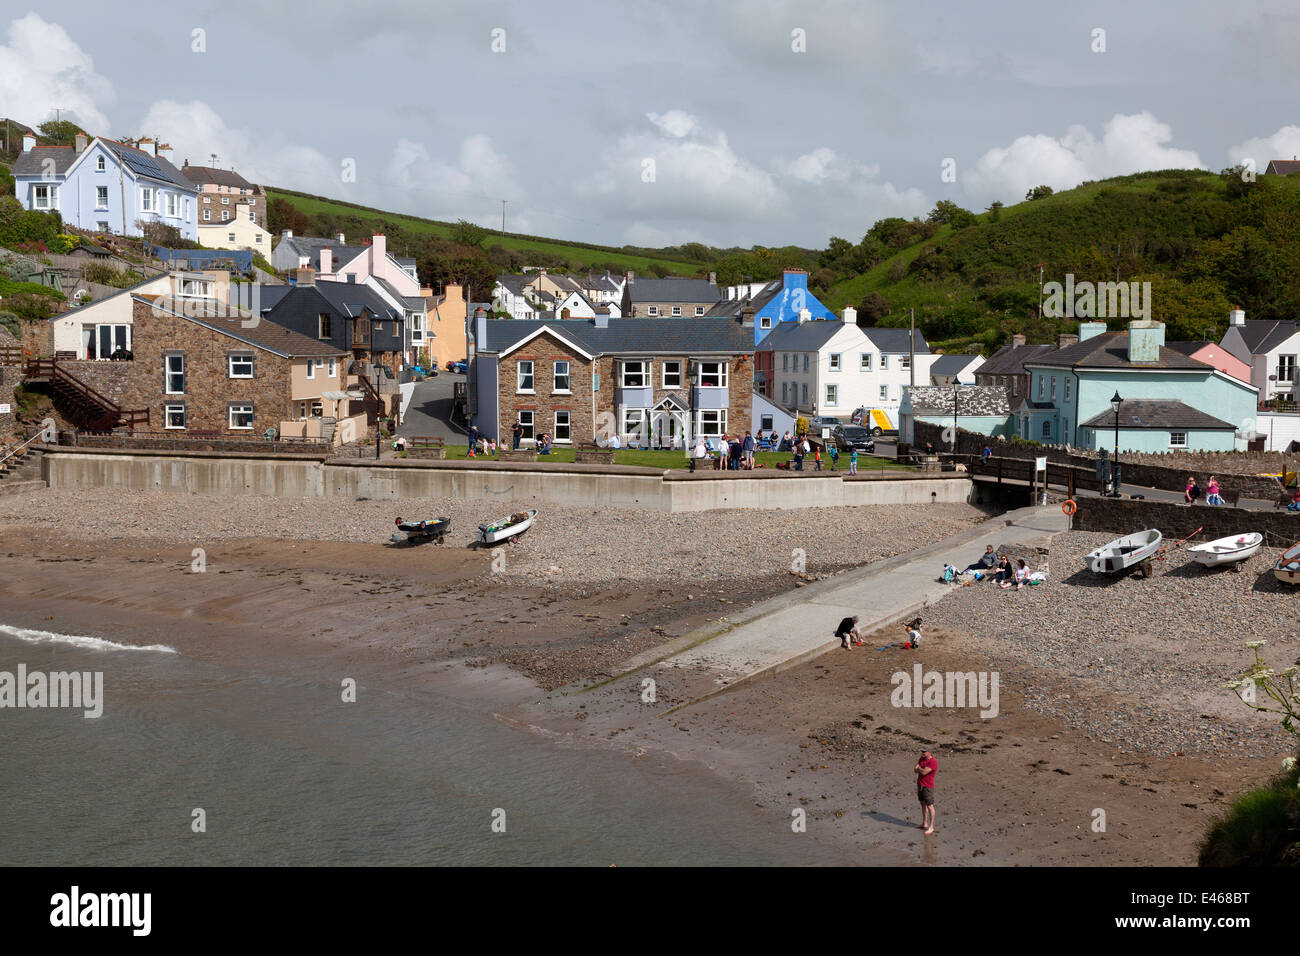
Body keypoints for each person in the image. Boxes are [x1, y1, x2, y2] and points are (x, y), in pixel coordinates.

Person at [915, 749, 937, 834]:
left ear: (929, 752)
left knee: (930, 806)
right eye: (922, 751)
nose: (922, 753)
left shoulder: (933, 762)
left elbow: (924, 772)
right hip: (920, 784)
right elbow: (914, 769)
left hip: (928, 787)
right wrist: (920, 769)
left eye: (924, 751)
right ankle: (924, 823)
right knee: (922, 804)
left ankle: (931, 827)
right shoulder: (921, 758)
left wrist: (919, 768)